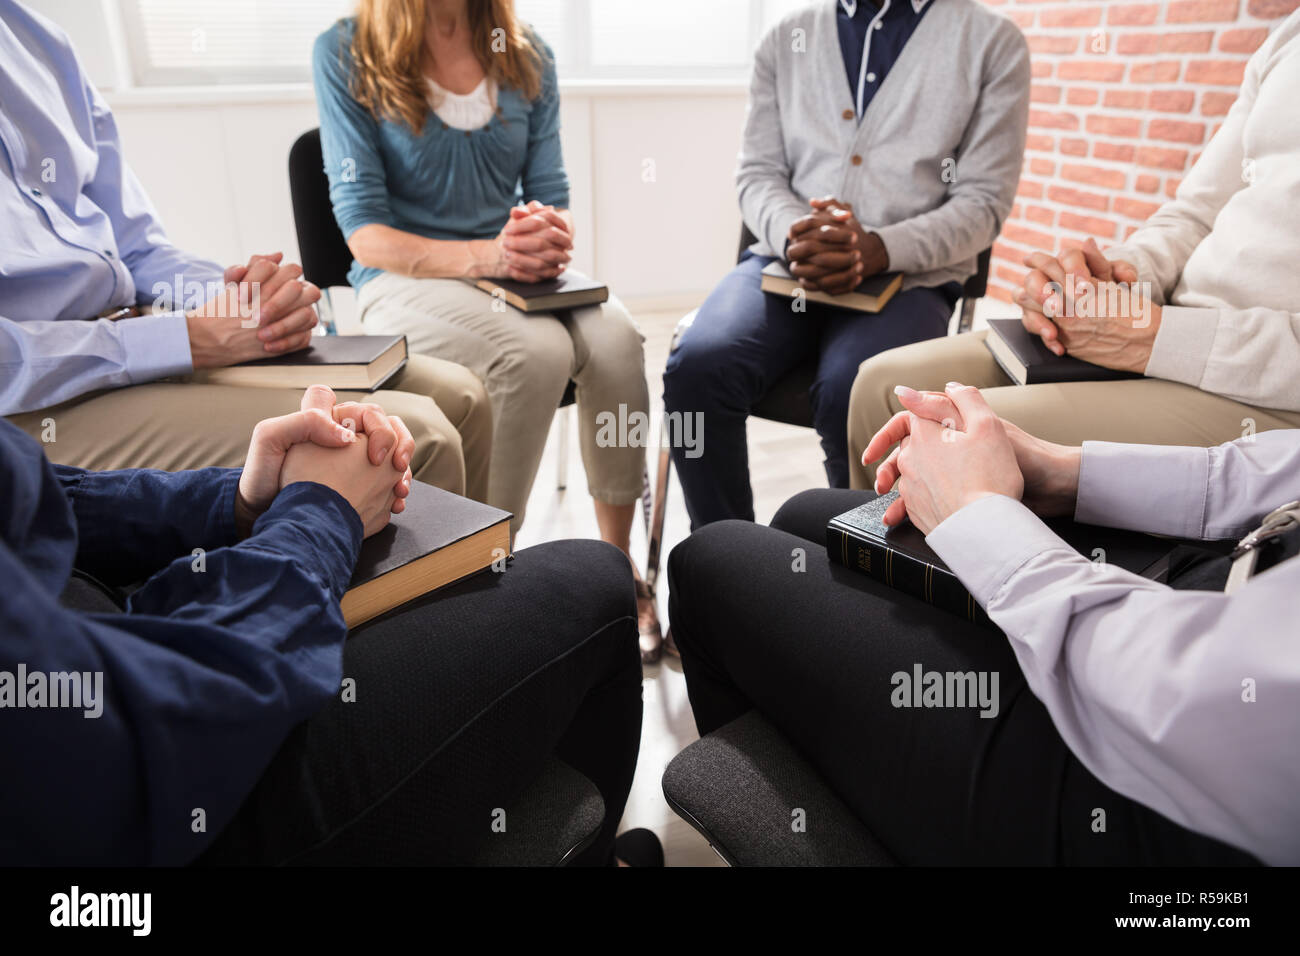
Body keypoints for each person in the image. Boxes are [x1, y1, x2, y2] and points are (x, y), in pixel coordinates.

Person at [0, 383, 660, 867]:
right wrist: (320, 512)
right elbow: (142, 733)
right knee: (597, 581)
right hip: (194, 797)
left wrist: (237, 502)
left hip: (113, 639)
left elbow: (37, 500)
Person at [668, 381, 1299, 865]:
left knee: (711, 560)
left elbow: (1201, 696)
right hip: (1234, 582)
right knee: (810, 517)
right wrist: (1065, 471)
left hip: (1171, 798)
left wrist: (980, 515)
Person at [0, 0, 491, 502]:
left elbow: (136, 248)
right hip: (35, 401)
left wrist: (247, 299)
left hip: (136, 329)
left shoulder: (38, 42)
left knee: (461, 396)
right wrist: (182, 340)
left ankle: (492, 571)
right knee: (415, 434)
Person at [313, 0, 660, 657]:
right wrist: (488, 256)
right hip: (405, 279)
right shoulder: (345, 51)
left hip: (510, 273)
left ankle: (618, 575)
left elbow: (551, 192)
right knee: (533, 353)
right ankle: (485, 572)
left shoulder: (526, 53)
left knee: (618, 340)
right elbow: (364, 234)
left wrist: (546, 235)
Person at [848, 8, 1300, 490]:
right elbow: (1194, 213)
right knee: (880, 385)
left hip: (1263, 391)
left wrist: (1155, 341)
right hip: (1167, 324)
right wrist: (1110, 280)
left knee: (942, 433)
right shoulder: (1287, 36)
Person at [662, 0, 1030, 529]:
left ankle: (851, 577)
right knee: (697, 366)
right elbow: (758, 174)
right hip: (787, 264)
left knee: (856, 389)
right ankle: (721, 562)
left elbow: (983, 203)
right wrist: (798, 235)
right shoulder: (785, 37)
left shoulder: (992, 43)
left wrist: (880, 247)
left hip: (912, 280)